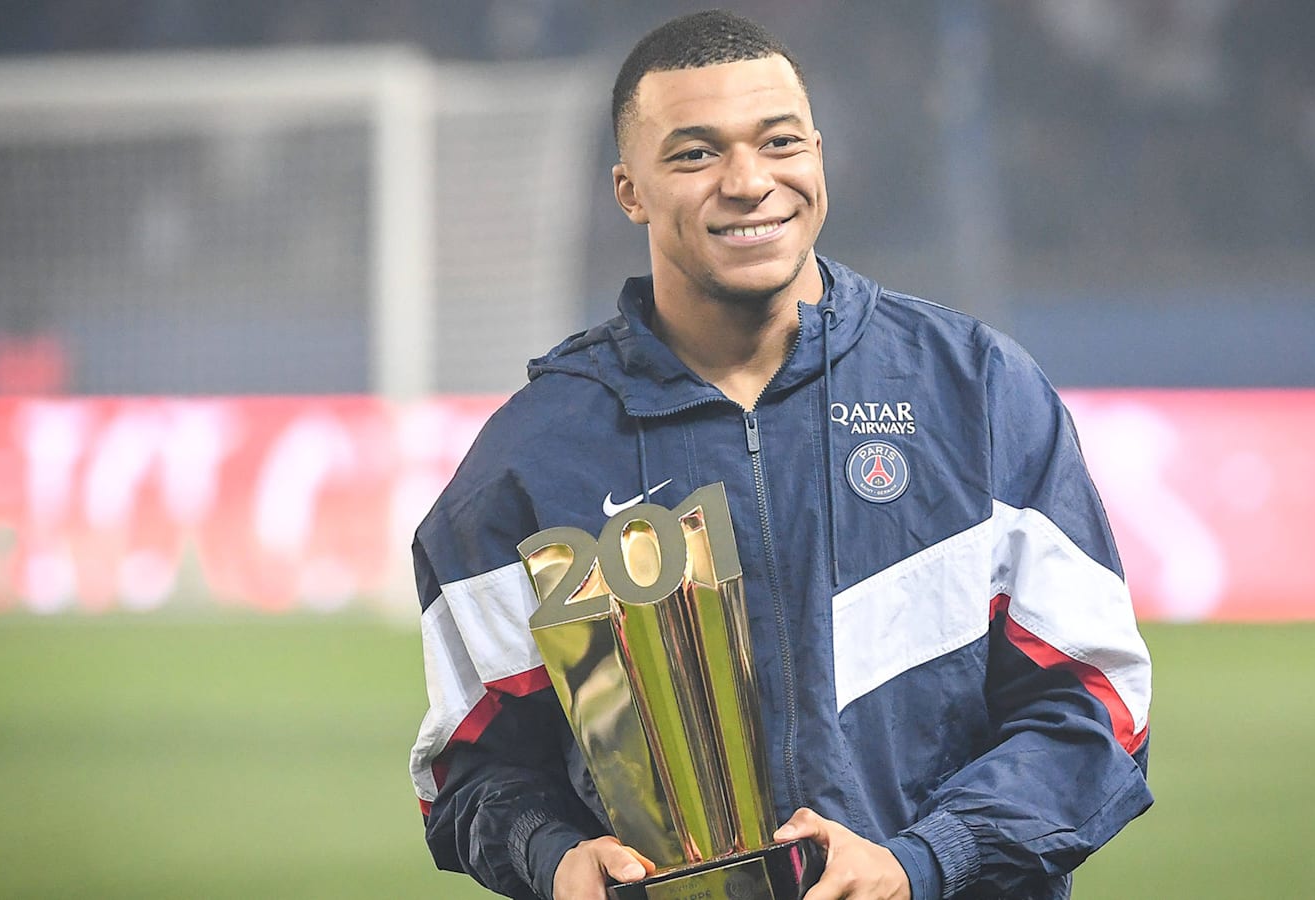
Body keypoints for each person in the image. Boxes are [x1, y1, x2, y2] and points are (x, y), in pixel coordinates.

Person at [409, 10, 1152, 900]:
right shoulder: (532, 459)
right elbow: (473, 768)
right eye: (695, 154)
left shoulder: (977, 393)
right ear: (629, 191)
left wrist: (922, 861)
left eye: (780, 142)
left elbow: (1093, 705)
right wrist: (555, 855)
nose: (750, 181)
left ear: (819, 157)